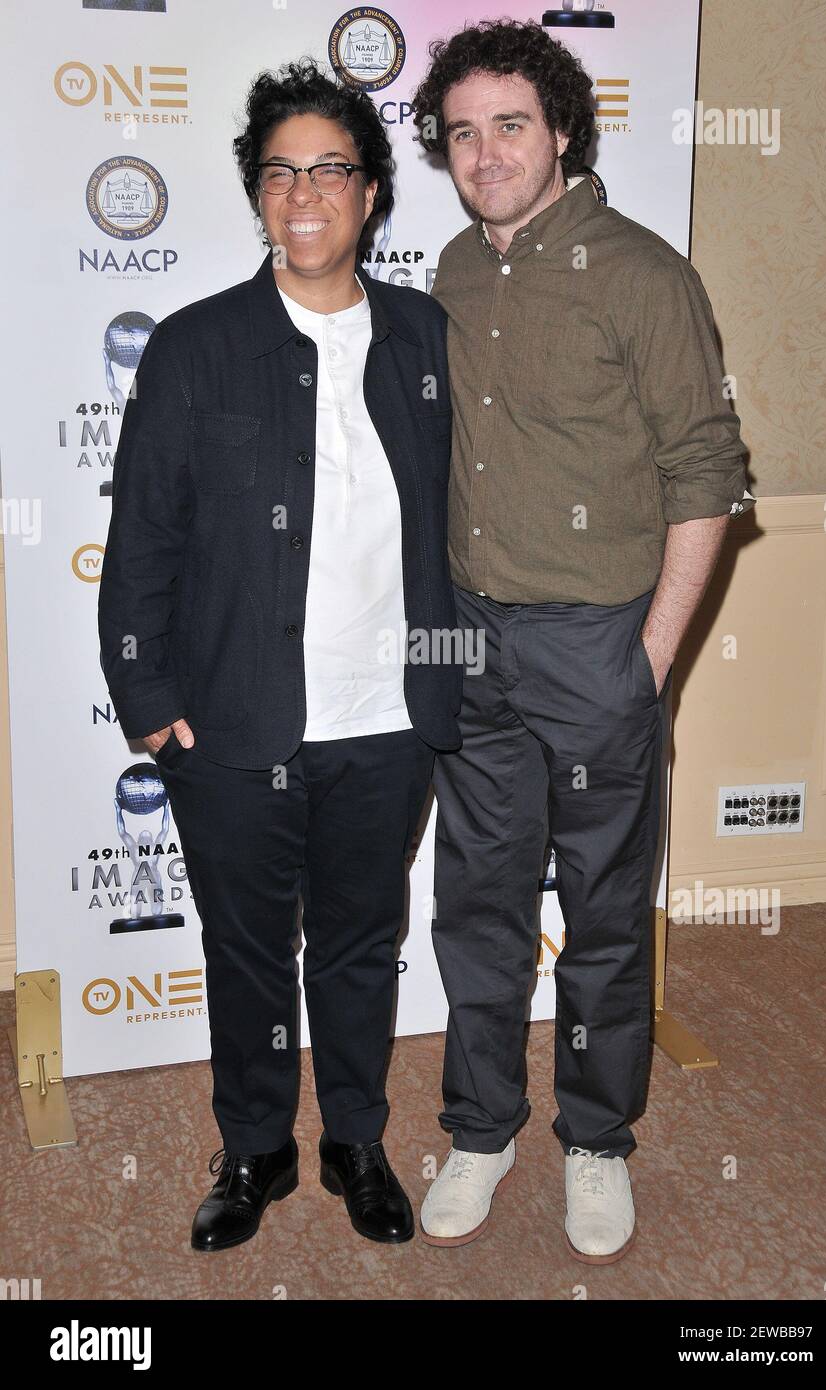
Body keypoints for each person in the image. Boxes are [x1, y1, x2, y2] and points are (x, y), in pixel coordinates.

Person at [98, 59, 462, 1252]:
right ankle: (254, 1149)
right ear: (258, 194)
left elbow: (463, 527)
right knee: (248, 950)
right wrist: (149, 699)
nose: (304, 192)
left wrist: (448, 686)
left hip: (387, 722)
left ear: (370, 194)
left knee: (361, 943)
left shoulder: (425, 337)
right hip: (234, 722)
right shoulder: (197, 346)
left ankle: (356, 1140)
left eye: (330, 170)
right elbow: (143, 533)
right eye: (279, 172)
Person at [411, 20, 755, 1262]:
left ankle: (597, 1141)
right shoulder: (448, 272)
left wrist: (648, 660)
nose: (487, 150)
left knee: (605, 913)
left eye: (511, 123)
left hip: (596, 640)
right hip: (468, 637)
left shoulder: (641, 275)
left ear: (559, 129)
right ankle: (481, 1127)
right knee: (477, 903)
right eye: (461, 131)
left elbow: (706, 472)